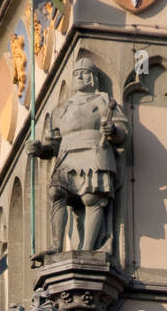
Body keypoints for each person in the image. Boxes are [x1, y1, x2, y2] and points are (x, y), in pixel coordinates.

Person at [29, 55, 128, 253]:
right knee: (56, 192)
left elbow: (121, 129)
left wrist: (113, 131)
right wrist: (40, 150)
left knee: (92, 198)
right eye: (77, 74)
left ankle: (88, 249)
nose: (80, 77)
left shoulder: (103, 100)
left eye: (84, 73)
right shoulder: (61, 108)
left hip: (94, 151)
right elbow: (53, 144)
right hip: (67, 154)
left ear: (92, 78)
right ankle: (57, 245)